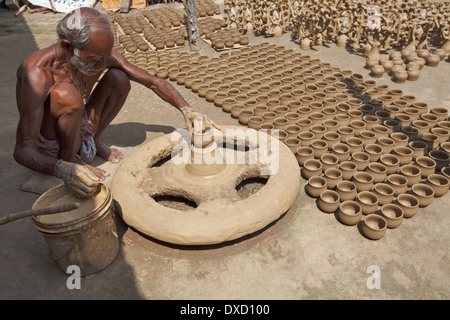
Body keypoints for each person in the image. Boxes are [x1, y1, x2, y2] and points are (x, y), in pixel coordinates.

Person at [14, 7, 218, 199]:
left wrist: (187, 109)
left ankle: (91, 142)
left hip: (77, 125)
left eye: (104, 58)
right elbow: (23, 151)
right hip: (51, 146)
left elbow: (153, 83)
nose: (102, 65)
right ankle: (71, 163)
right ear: (68, 46)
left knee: (119, 77)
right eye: (95, 59)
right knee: (67, 95)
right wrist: (61, 168)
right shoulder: (36, 73)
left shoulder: (93, 57)